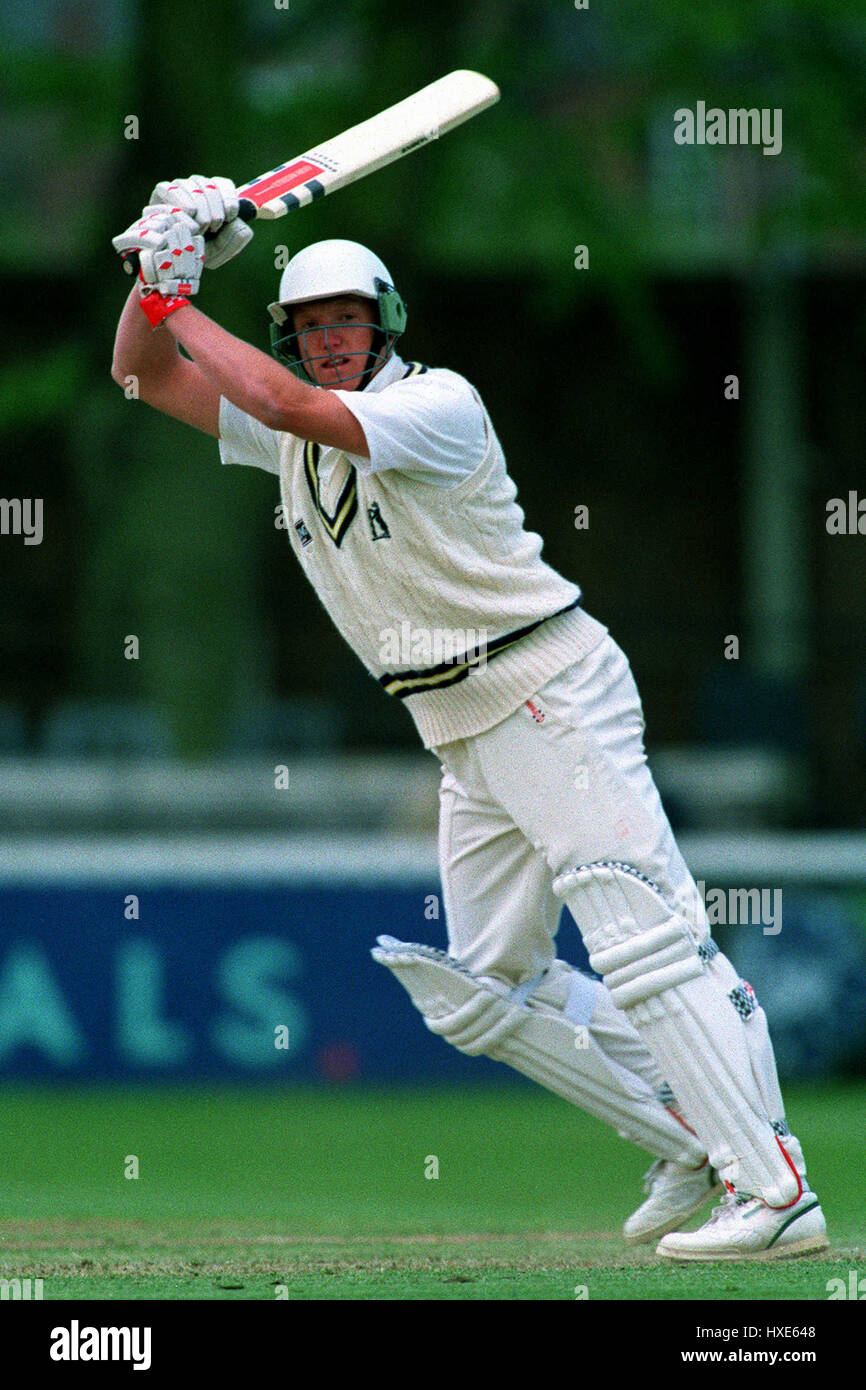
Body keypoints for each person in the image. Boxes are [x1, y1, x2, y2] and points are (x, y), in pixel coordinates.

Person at [111, 177, 828, 1260]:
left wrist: (177, 289)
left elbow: (279, 401)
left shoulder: (431, 405)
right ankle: (687, 1129)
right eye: (308, 327)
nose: (330, 340)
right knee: (480, 991)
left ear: (385, 321)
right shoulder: (293, 440)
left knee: (645, 936)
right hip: (457, 724)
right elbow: (140, 374)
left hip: (545, 684)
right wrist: (156, 278)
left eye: (347, 318)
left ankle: (773, 1189)